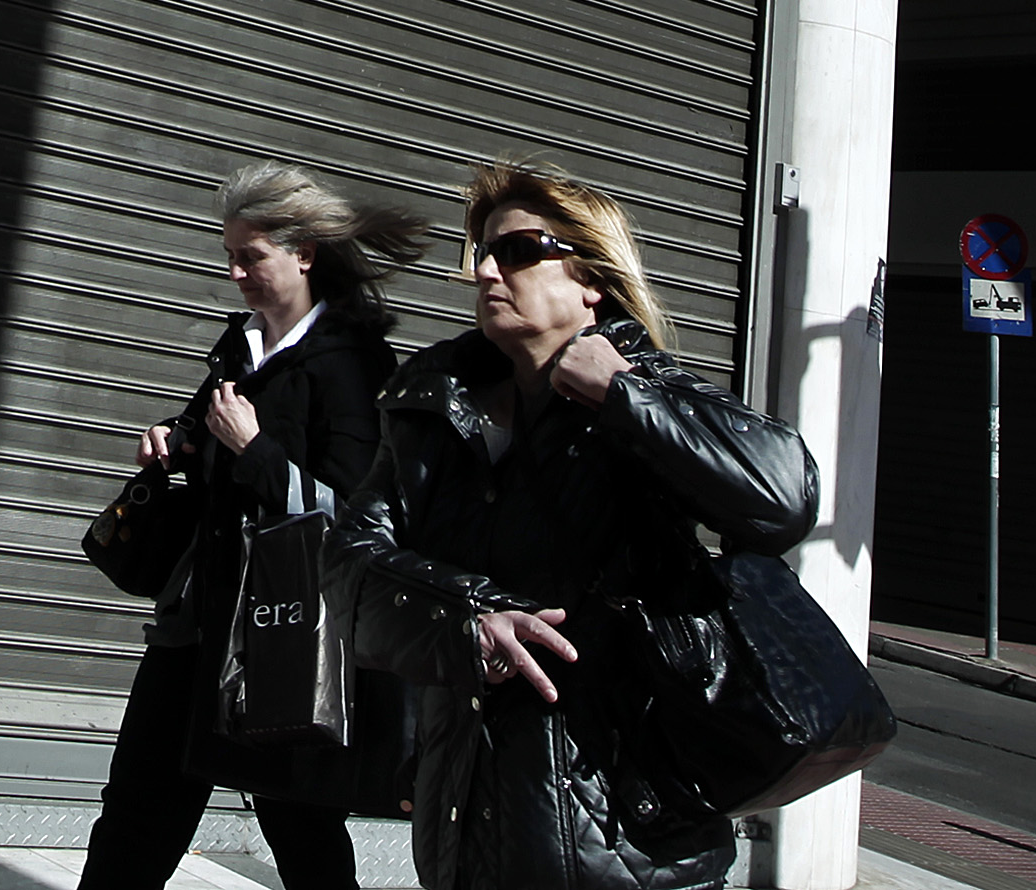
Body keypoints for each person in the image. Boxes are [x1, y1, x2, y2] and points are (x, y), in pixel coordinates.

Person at [333, 161, 818, 890]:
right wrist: (466, 619)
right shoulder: (427, 409)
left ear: (590, 278)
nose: (486, 271)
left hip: (631, 845)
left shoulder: (647, 392)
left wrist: (625, 395)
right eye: (482, 253)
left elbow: (783, 499)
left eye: (518, 251)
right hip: (469, 831)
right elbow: (348, 569)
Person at [79, 164, 428, 890]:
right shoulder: (240, 344)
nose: (235, 272)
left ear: (304, 254)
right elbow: (207, 429)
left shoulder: (352, 364)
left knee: (299, 821)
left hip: (283, 629)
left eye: (251, 256)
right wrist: (176, 439)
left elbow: (356, 511)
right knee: (139, 807)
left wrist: (254, 448)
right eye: (230, 255)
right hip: (199, 619)